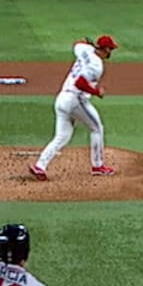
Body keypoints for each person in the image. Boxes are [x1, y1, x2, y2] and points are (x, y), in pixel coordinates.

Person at [29, 35, 118, 181]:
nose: (111, 52)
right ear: (106, 49)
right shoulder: (96, 66)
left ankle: (40, 166)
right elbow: (80, 83)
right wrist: (97, 92)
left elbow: (77, 42)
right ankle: (98, 166)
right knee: (97, 128)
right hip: (75, 100)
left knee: (62, 136)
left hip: (61, 99)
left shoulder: (84, 49)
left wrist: (87, 44)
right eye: (110, 49)